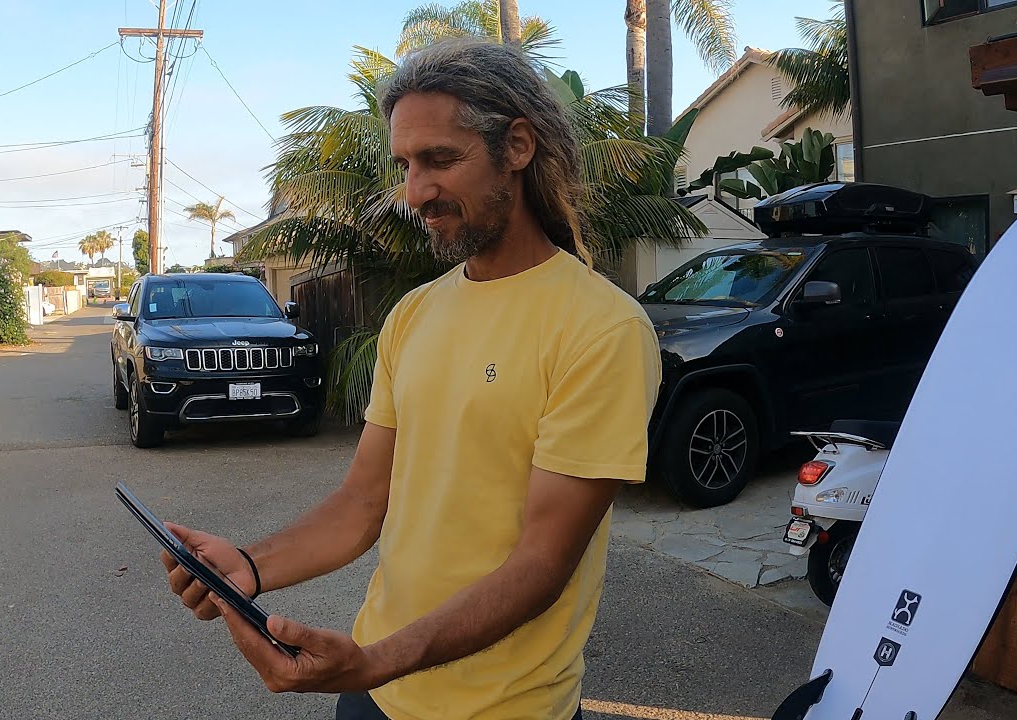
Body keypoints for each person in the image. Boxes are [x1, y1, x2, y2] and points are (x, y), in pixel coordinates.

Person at [160, 38, 661, 720]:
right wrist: (249, 565)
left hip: (502, 708)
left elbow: (542, 563)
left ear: (517, 146)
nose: (415, 192)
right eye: (405, 165)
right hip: (373, 694)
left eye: (439, 160)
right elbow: (363, 503)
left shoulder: (601, 329)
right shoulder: (414, 314)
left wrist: (375, 660)